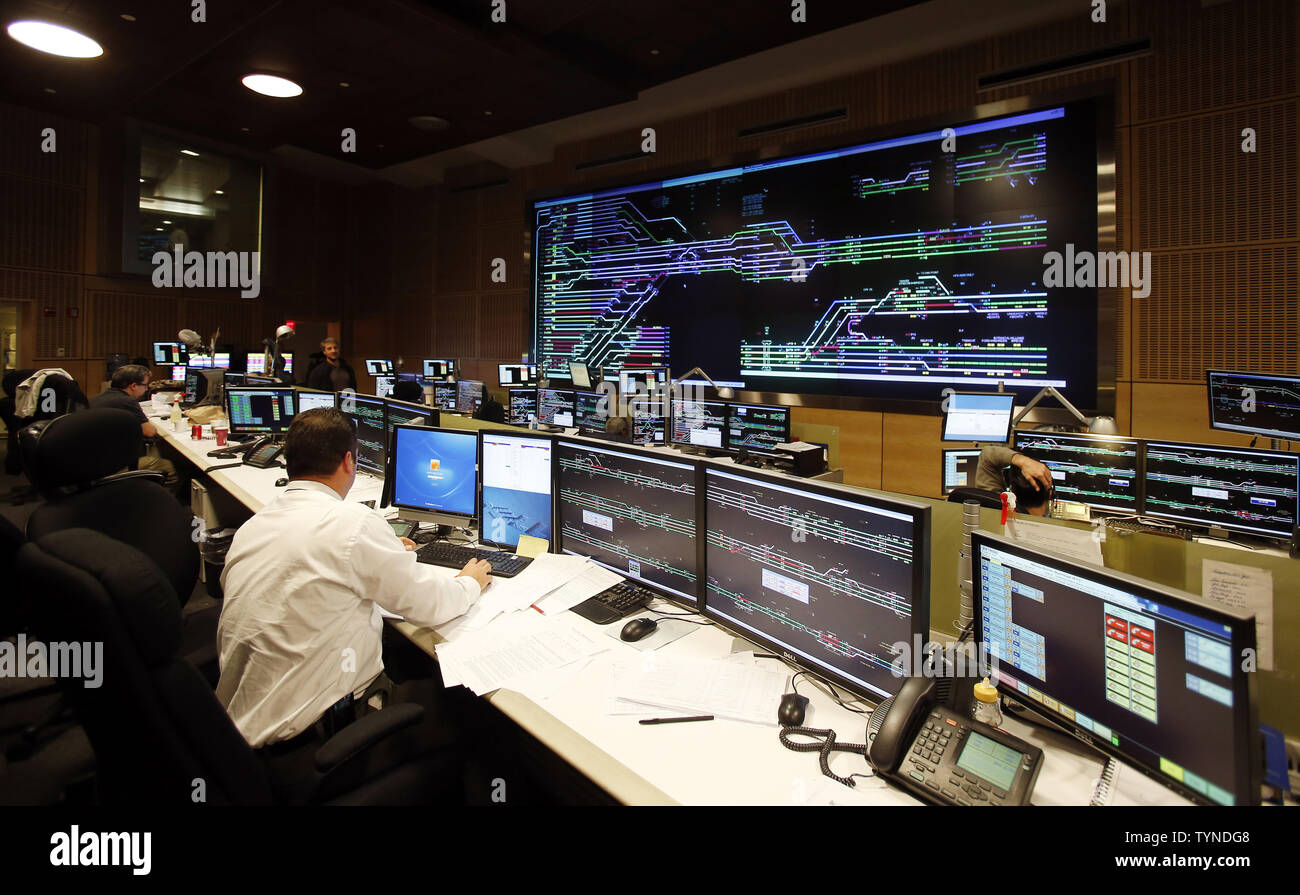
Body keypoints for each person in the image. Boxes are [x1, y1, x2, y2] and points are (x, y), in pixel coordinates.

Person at [216, 408, 491, 751]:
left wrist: (385, 553)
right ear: (349, 461)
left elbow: (313, 580)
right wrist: (470, 581)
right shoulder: (351, 523)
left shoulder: (255, 525)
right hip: (315, 736)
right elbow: (430, 606)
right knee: (466, 704)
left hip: (236, 731)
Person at [88, 364, 178, 490]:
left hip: (92, 463)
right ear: (134, 386)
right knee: (168, 468)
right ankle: (160, 506)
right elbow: (149, 432)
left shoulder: (96, 398)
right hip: (111, 467)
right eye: (145, 385)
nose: (146, 389)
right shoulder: (126, 401)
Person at [974, 444, 1052, 494]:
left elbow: (986, 455)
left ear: (1011, 489)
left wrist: (1024, 461)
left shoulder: (996, 509)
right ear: (1050, 494)